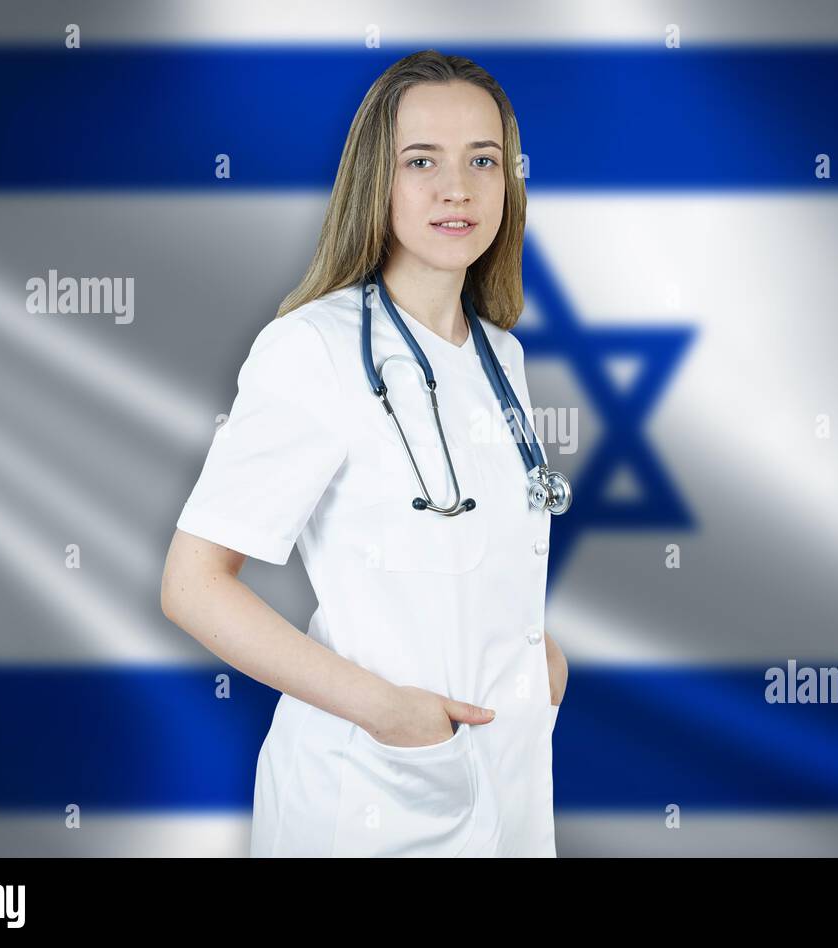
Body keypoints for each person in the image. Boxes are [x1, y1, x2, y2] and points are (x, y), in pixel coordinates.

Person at [160, 49, 568, 857]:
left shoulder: (502, 357)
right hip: (374, 792)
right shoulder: (310, 347)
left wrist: (541, 660)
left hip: (510, 778)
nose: (458, 187)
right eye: (422, 161)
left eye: (483, 160)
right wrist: (387, 712)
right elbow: (193, 586)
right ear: (376, 180)